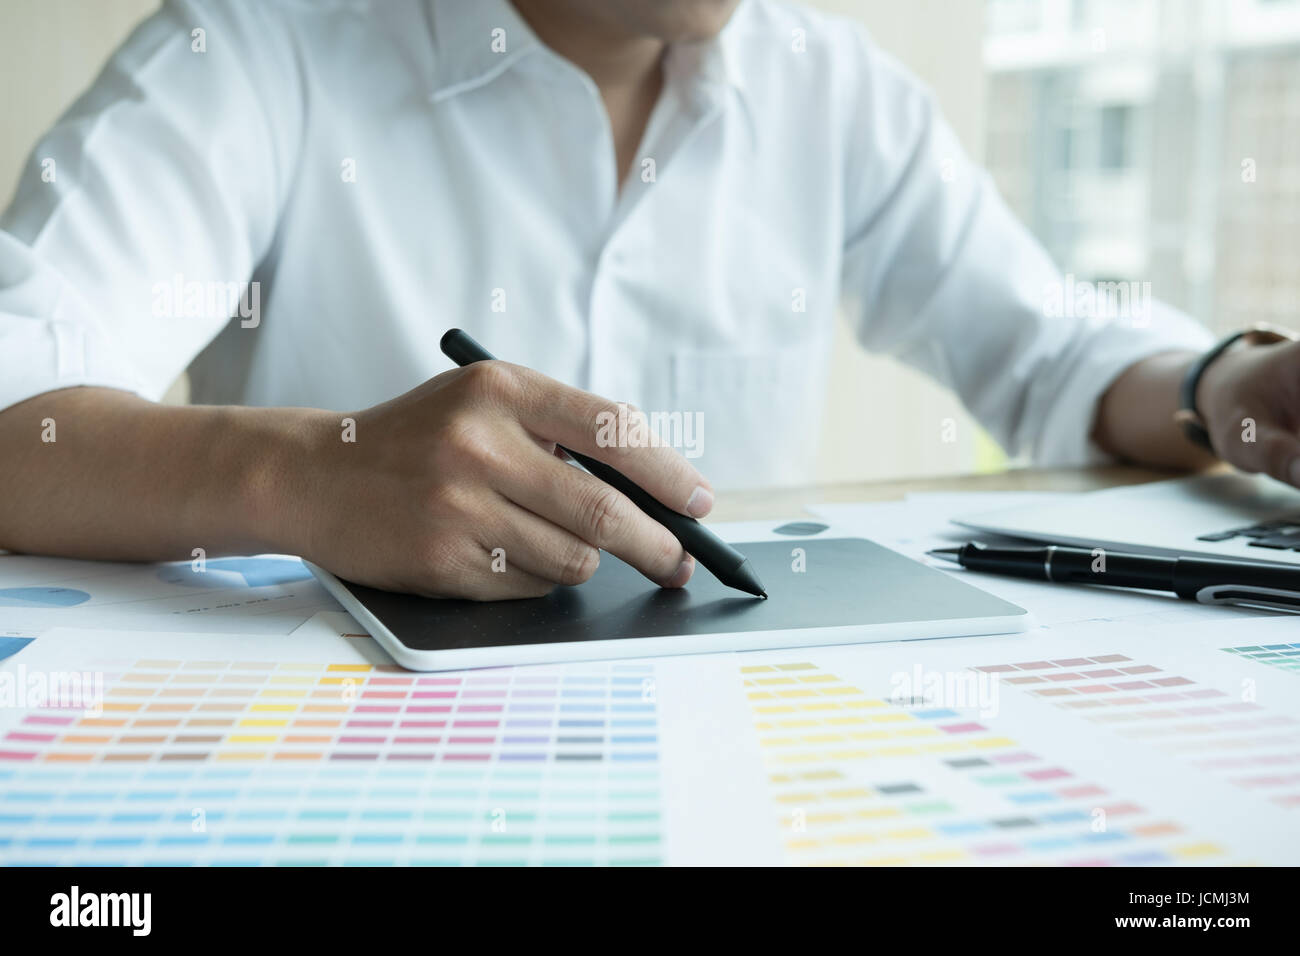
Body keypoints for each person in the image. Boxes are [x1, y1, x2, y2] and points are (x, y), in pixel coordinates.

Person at [0, 0, 1296, 600]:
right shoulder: (253, 47)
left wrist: (1228, 392)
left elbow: (1048, 351)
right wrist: (300, 471)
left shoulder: (832, 84)